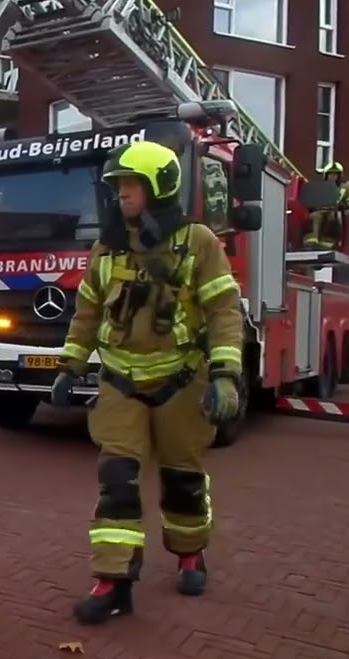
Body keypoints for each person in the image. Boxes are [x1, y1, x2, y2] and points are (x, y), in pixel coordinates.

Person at [49, 140, 244, 626]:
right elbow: (88, 311)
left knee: (182, 480)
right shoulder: (107, 248)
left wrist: (225, 375)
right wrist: (69, 365)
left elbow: (224, 311)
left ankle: (190, 554)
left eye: (131, 185)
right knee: (116, 480)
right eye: (117, 186)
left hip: (181, 382)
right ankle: (113, 583)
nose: (122, 195)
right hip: (120, 382)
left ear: (159, 187)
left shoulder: (198, 242)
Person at [303, 161, 349, 250]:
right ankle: (312, 241)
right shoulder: (320, 187)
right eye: (331, 174)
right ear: (326, 175)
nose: (333, 177)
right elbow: (312, 200)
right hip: (321, 210)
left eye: (335, 174)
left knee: (332, 217)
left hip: (337, 211)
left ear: (339, 176)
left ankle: (327, 243)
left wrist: (343, 205)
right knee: (314, 216)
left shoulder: (346, 187)